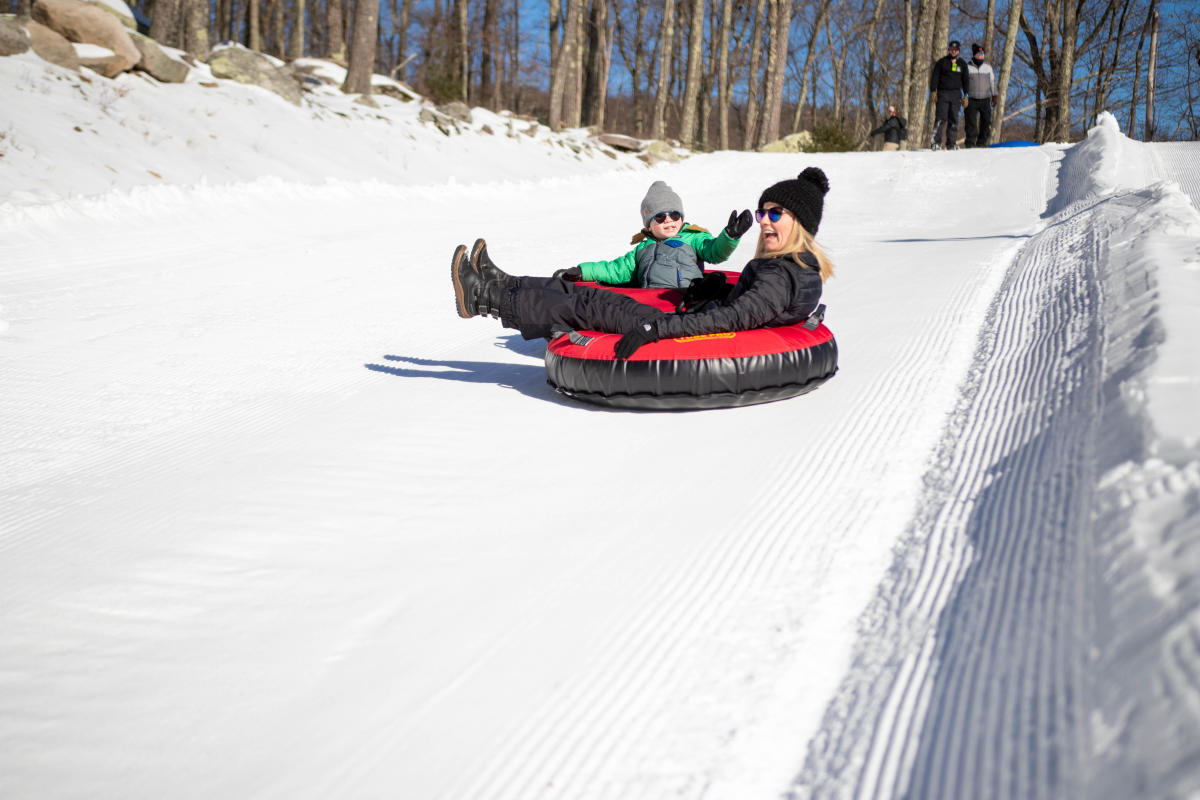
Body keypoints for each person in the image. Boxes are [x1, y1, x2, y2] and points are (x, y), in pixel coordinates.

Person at [451, 168, 835, 360]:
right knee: (585, 291)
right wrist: (717, 289)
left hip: (676, 322)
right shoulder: (789, 267)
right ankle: (503, 283)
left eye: (776, 213)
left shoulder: (782, 274)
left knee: (585, 304)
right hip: (683, 308)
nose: (765, 220)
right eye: (762, 212)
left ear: (800, 221)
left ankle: (485, 299)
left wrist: (656, 327)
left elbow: (733, 319)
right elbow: (743, 305)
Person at [549, 180, 752, 290]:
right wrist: (582, 271)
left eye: (674, 215)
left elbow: (716, 252)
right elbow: (615, 270)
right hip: (650, 304)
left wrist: (729, 236)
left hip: (685, 298)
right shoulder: (642, 248)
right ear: (649, 224)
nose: (669, 221)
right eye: (660, 217)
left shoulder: (693, 237)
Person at [929, 40, 969, 150]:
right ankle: (935, 142)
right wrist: (933, 90)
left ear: (959, 51)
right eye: (951, 49)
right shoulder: (942, 62)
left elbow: (966, 81)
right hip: (943, 93)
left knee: (954, 119)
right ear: (948, 49)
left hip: (956, 94)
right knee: (941, 118)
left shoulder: (962, 64)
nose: (953, 51)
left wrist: (966, 95)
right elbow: (935, 77)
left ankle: (951, 143)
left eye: (956, 50)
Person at [964, 43, 999, 148]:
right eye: (979, 54)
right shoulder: (967, 67)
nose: (981, 56)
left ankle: (981, 143)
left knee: (986, 121)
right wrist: (964, 95)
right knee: (971, 123)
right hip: (971, 99)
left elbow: (992, 81)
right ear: (974, 55)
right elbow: (962, 82)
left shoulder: (987, 68)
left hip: (985, 99)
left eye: (982, 54)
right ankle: (970, 143)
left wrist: (994, 95)